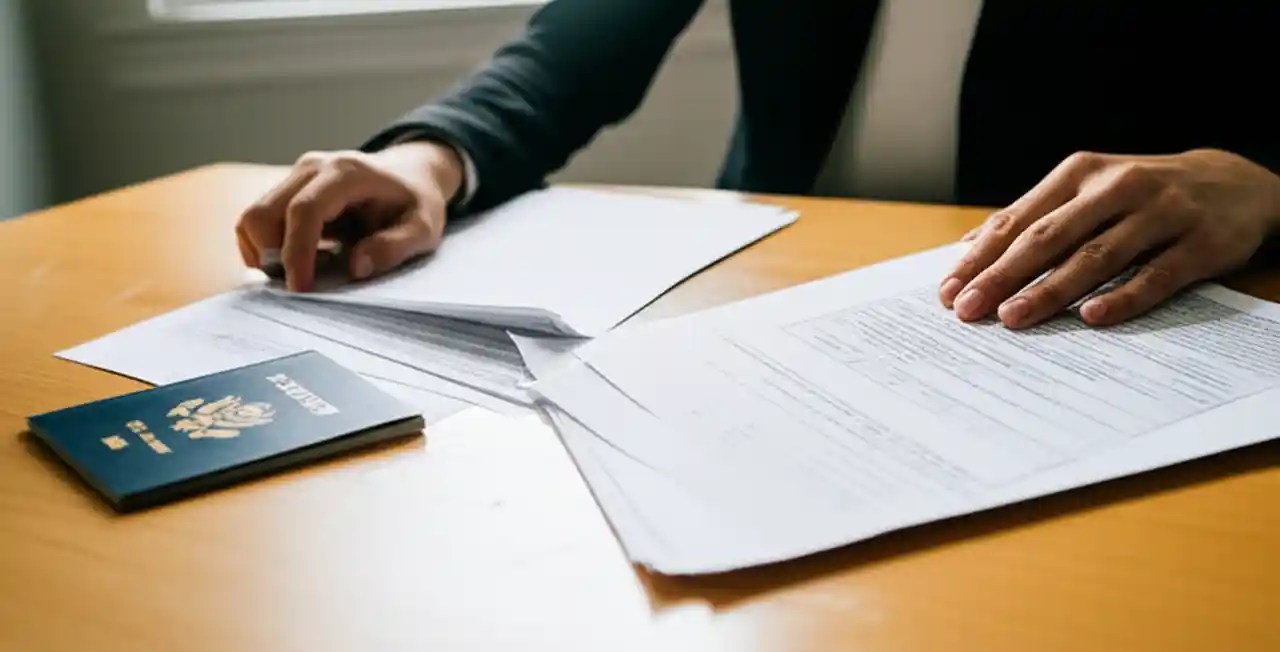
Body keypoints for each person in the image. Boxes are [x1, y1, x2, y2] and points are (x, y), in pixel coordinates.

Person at [236, 1, 1280, 330]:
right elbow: (574, 52)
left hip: (1094, 314)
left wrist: (1267, 186)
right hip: (787, 288)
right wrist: (432, 159)